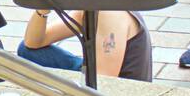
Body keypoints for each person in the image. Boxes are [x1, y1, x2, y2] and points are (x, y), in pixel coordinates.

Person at [16, 10, 152, 81]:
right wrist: (42, 9)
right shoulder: (91, 7)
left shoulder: (110, 14)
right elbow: (33, 42)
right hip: (93, 73)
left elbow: (104, 82)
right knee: (27, 51)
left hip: (120, 94)